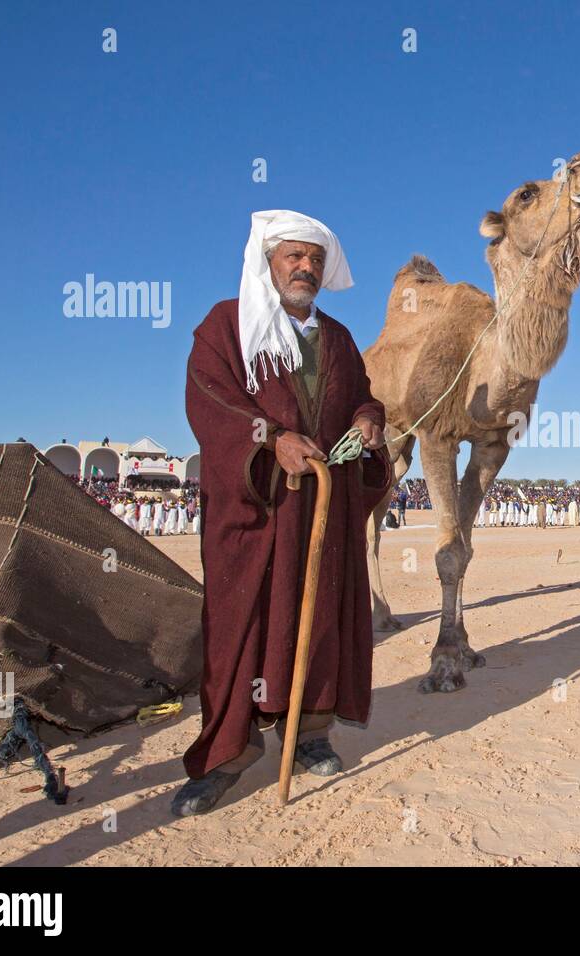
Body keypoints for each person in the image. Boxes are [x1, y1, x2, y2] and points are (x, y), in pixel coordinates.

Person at [172, 209, 391, 817]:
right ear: (268, 262)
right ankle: (226, 753)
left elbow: (363, 394)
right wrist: (270, 439)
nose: (306, 268)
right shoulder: (226, 326)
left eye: (315, 259)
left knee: (319, 614)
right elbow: (209, 397)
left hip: (323, 506)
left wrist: (368, 419)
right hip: (259, 510)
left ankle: (307, 732)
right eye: (294, 256)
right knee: (241, 625)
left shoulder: (341, 339)